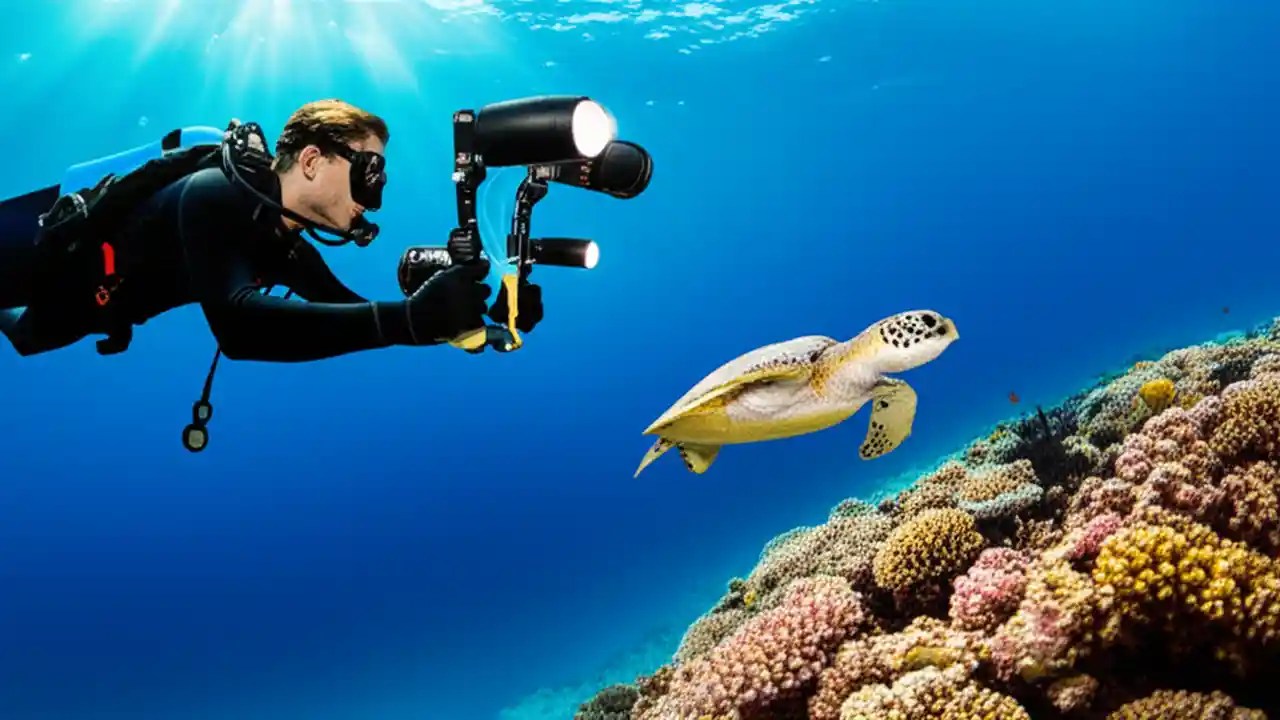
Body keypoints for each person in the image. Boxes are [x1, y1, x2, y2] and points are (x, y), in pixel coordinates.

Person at [0, 98, 543, 360]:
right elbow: (240, 331)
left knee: (27, 338)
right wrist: (407, 320)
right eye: (369, 172)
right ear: (312, 160)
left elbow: (345, 307)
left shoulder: (282, 244)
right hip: (28, 245)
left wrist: (480, 318)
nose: (373, 198)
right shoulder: (213, 193)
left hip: (87, 303)